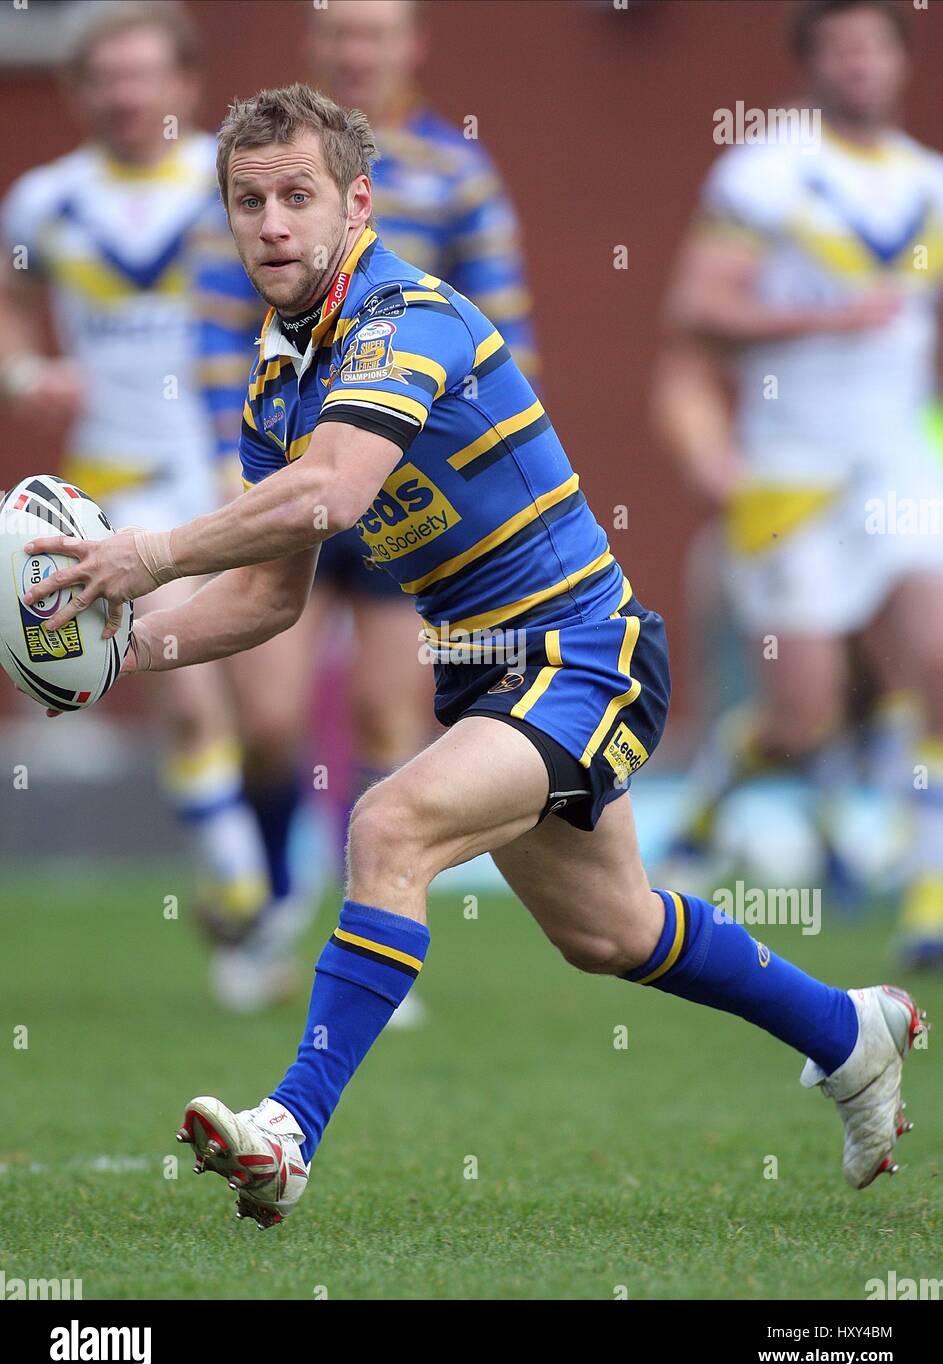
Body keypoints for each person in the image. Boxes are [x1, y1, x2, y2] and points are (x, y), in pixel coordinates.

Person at [25, 85, 925, 1229]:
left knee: (386, 826)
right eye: (248, 201)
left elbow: (331, 492)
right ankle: (850, 1031)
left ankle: (288, 1130)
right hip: (492, 673)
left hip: (580, 654)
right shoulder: (276, 383)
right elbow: (263, 595)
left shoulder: (407, 314)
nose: (273, 224)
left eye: (298, 196)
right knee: (615, 930)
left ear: (357, 202)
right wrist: (116, 656)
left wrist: (143, 554)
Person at [196, 0, 540, 1014]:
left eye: (374, 36)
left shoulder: (456, 174)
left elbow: (504, 326)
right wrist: (234, 459)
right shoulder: (261, 179)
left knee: (390, 710)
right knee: (265, 718)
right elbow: (222, 325)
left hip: (401, 496)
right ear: (319, 49)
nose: (355, 51)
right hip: (285, 472)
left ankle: (370, 933)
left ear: (409, 47)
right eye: (339, 36)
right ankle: (265, 903)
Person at [655, 0, 943, 963]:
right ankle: (704, 805)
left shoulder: (927, 184)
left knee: (935, 663)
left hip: (899, 467)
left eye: (875, 47)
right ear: (811, 63)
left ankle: (930, 897)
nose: (859, 65)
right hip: (790, 483)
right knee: (803, 716)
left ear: (900, 62)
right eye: (840, 48)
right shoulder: (766, 172)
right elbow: (696, 306)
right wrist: (828, 321)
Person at [0, 1, 273, 968]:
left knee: (277, 723)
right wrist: (28, 373)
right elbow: (13, 312)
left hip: (231, 472)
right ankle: (240, 884)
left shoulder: (236, 185)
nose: (124, 94)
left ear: (184, 83)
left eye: (141, 74)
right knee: (183, 680)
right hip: (116, 488)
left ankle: (257, 886)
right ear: (78, 90)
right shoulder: (43, 202)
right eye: (104, 76)